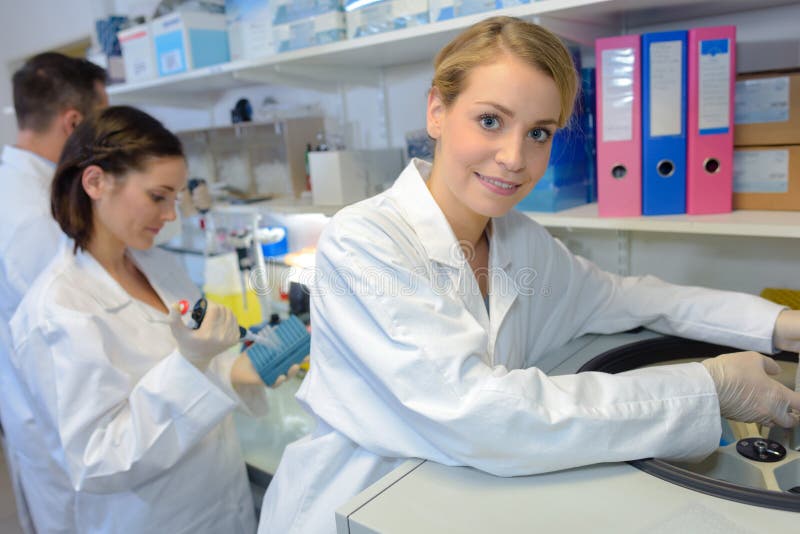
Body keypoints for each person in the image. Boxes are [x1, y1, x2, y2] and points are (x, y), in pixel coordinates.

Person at [258, 17, 800, 533]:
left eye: (539, 133)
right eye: (490, 120)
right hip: (354, 506)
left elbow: (630, 298)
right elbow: (479, 414)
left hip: (465, 503)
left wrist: (778, 325)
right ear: (437, 112)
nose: (514, 157)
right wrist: (709, 387)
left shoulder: (521, 240)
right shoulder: (365, 242)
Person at [9, 106, 279, 533]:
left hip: (218, 502)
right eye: (158, 197)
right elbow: (98, 459)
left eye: (174, 198)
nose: (170, 215)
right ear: (95, 182)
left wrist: (244, 371)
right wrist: (188, 366)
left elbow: (205, 366)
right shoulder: (59, 310)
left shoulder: (159, 267)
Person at [0, 52, 107, 534]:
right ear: (74, 122)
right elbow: (77, 333)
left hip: (37, 420)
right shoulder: (38, 217)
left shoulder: (14, 185)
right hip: (61, 434)